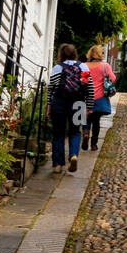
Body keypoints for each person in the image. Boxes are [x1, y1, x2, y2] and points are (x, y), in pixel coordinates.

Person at [48, 43, 93, 175]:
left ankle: (57, 164)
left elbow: (51, 89)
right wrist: (89, 106)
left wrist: (48, 106)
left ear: (61, 54)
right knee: (75, 132)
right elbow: (89, 88)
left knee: (58, 133)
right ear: (74, 54)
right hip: (79, 103)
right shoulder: (83, 66)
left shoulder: (57, 68)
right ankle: (73, 155)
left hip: (59, 103)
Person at [83, 45, 116, 152]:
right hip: (100, 98)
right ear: (100, 54)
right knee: (96, 121)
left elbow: (83, 80)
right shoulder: (105, 66)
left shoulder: (84, 65)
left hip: (86, 97)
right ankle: (94, 144)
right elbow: (113, 78)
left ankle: (86, 133)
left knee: (86, 118)